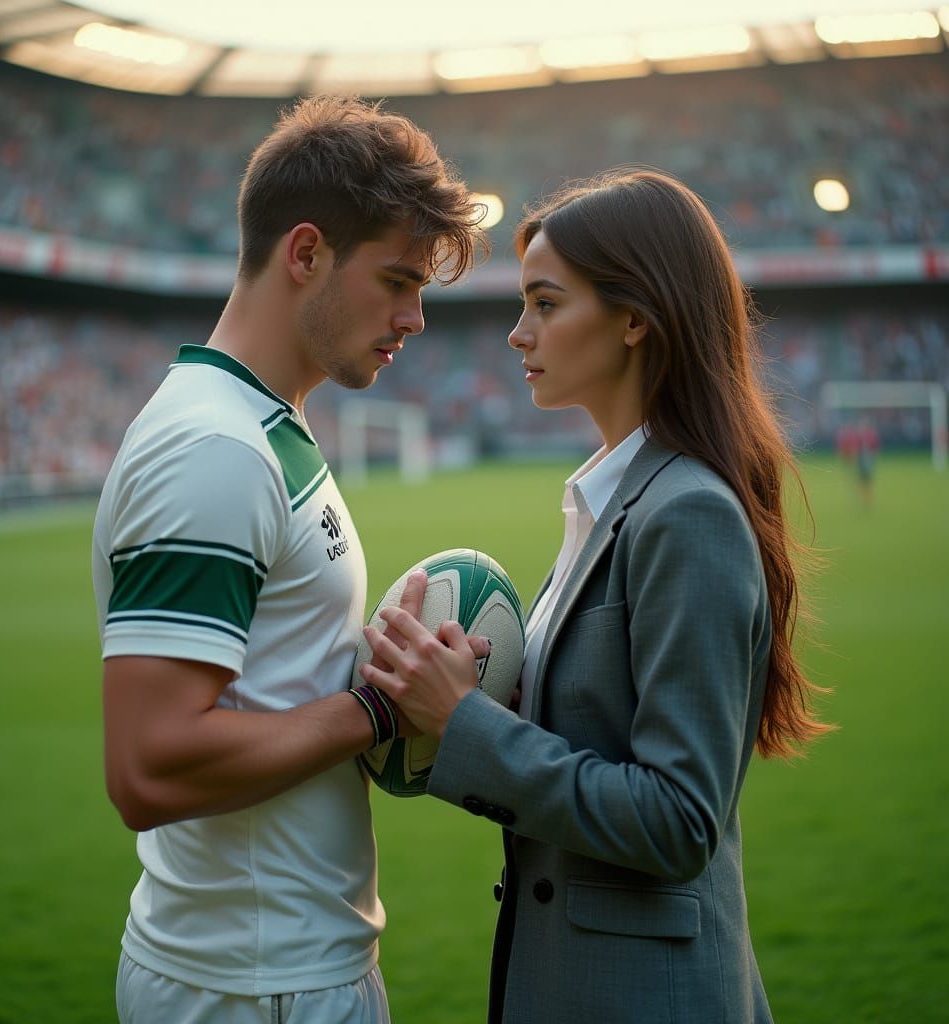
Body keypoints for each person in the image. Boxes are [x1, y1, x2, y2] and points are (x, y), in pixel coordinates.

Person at [361, 168, 831, 1024]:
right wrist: (456, 692)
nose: (517, 333)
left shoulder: (688, 514)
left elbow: (677, 822)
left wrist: (468, 723)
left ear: (634, 319)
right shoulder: (610, 502)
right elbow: (588, 738)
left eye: (545, 303)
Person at [92, 95, 486, 1024]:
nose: (416, 318)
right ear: (305, 253)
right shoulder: (214, 450)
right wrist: (380, 706)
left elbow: (266, 683)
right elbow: (148, 768)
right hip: (254, 983)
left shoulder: (267, 425)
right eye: (397, 280)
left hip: (278, 965)